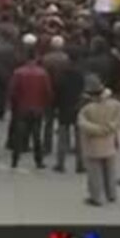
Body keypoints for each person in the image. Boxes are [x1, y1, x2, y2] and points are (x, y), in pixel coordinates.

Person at [77, 74, 120, 206]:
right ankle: (112, 194)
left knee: (94, 172)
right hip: (109, 141)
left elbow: (82, 124)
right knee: (110, 170)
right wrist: (110, 128)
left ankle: (96, 197)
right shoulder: (115, 104)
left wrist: (97, 130)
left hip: (92, 144)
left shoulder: (86, 108)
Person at [7, 41, 53, 169]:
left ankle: (15, 159)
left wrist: (13, 104)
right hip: (37, 107)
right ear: (36, 58)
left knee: (19, 134)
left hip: (22, 107)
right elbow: (48, 91)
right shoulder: (43, 73)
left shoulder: (18, 72)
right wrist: (46, 104)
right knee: (36, 135)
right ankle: (38, 160)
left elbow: (12, 90)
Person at [52, 44, 86, 173]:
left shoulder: (62, 74)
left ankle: (60, 163)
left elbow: (57, 91)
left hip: (64, 107)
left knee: (62, 136)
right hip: (78, 106)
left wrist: (55, 106)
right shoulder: (82, 73)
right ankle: (80, 164)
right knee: (80, 137)